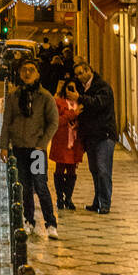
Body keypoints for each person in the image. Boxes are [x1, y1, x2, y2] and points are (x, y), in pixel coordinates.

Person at [0, 58, 60, 238]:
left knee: (41, 185)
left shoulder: (45, 97)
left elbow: (53, 122)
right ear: (19, 73)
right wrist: (4, 146)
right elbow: (7, 122)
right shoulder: (14, 96)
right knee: (24, 187)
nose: (27, 73)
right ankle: (28, 220)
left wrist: (42, 144)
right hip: (19, 148)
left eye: (31, 69)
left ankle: (51, 223)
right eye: (24, 69)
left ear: (37, 73)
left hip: (37, 150)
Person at [74, 59, 117, 213]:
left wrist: (79, 98)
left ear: (88, 71)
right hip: (90, 135)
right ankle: (97, 201)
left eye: (81, 73)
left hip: (104, 135)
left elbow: (98, 103)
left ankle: (105, 204)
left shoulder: (102, 87)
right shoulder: (82, 88)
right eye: (77, 74)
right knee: (94, 170)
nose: (79, 76)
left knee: (103, 169)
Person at [51, 77, 84, 210]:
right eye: (69, 88)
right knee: (59, 169)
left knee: (72, 170)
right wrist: (73, 114)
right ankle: (59, 198)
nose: (71, 91)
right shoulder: (58, 103)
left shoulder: (81, 103)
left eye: (74, 88)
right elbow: (56, 122)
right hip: (62, 141)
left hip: (75, 143)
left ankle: (68, 198)